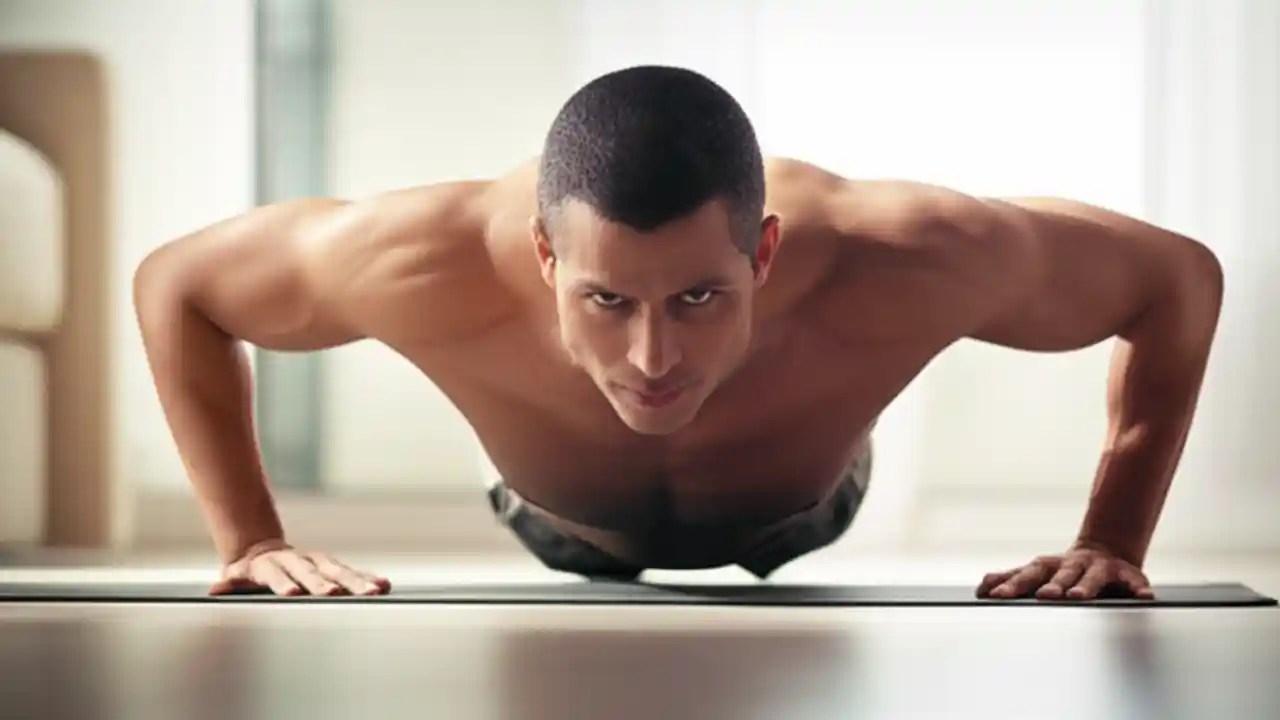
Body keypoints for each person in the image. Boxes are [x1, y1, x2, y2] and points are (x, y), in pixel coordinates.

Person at [133, 65, 1224, 600]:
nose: (653, 360)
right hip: (557, 517)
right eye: (606, 301)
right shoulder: (419, 256)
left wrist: (1113, 537)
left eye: (698, 298)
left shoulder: (911, 251)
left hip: (805, 506)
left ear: (763, 255)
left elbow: (1175, 281)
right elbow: (176, 284)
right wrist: (252, 540)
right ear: (546, 259)